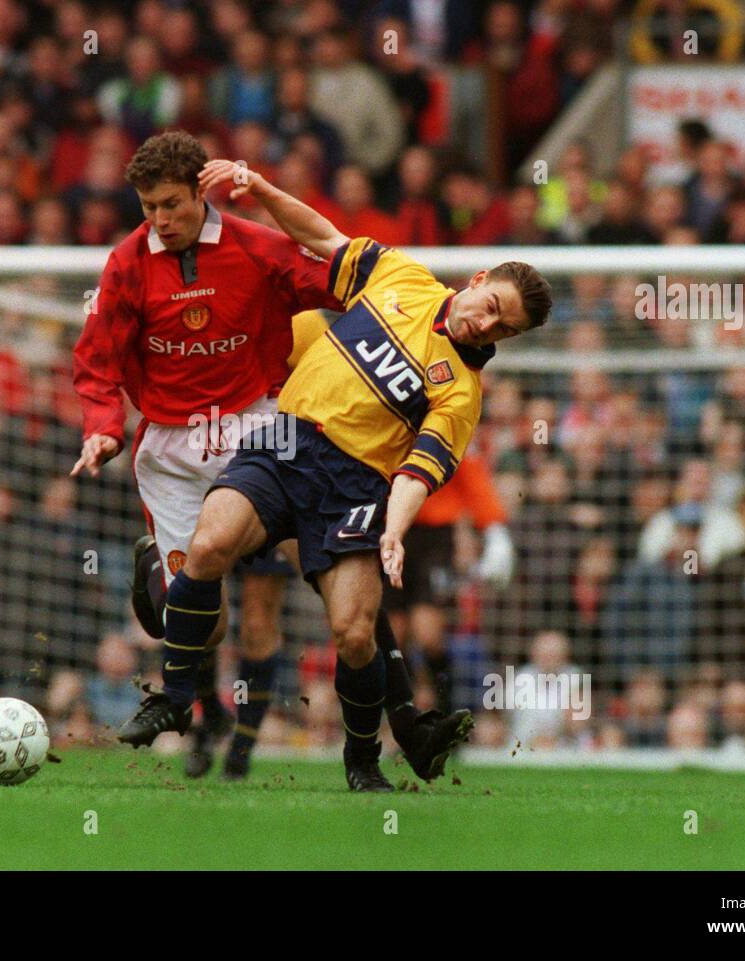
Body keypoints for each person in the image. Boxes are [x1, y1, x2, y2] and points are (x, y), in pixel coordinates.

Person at [115, 157, 551, 791]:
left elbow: (415, 475)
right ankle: (178, 697)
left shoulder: (461, 393)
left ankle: (362, 760)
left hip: (355, 489)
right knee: (208, 546)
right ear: (478, 279)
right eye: (491, 306)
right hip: (286, 442)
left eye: (502, 327)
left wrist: (395, 533)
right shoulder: (403, 276)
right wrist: (261, 188)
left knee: (352, 633)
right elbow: (322, 237)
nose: (485, 324)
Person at [69, 130, 344, 779]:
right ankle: (210, 712)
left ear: (202, 190)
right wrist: (103, 427)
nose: (160, 220)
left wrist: (422, 313)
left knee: (270, 593)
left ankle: (241, 743)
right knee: (201, 624)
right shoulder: (128, 263)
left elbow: (340, 282)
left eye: (171, 203)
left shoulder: (256, 245)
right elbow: (96, 359)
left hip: (255, 429)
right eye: (148, 207)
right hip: (169, 443)